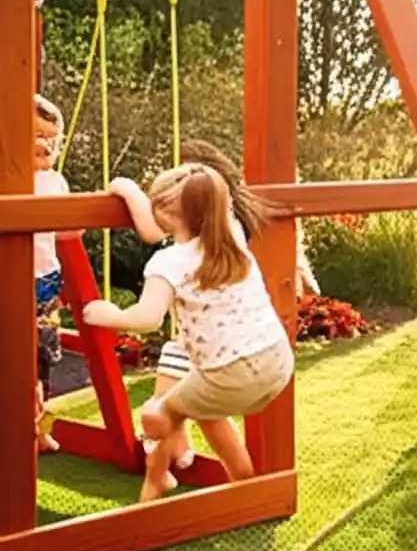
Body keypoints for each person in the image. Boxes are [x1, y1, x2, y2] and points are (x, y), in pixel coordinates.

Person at [87, 164, 294, 501]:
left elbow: (148, 318)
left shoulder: (169, 263)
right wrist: (130, 190)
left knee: (158, 414)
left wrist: (111, 315)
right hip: (277, 363)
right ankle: (241, 481)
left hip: (229, 375)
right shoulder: (232, 235)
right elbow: (160, 225)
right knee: (206, 411)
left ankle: (158, 477)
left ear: (165, 213)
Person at [32, 95, 72, 453]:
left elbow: (69, 230)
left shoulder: (56, 181)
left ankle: (38, 428)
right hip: (10, 276)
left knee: (42, 358)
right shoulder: (9, 177)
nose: (44, 144)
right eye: (35, 135)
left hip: (44, 281)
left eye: (51, 138)